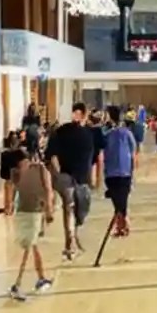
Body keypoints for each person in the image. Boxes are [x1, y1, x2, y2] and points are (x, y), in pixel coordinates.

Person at [45, 102, 97, 260]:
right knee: (75, 209)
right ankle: (71, 242)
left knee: (71, 209)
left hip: (68, 177)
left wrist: (58, 172)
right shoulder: (87, 134)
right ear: (83, 114)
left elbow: (51, 155)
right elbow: (92, 159)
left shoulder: (62, 131)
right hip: (79, 178)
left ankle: (71, 240)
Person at [8, 148, 55, 301]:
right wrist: (8, 205)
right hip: (23, 213)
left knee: (31, 246)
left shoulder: (40, 169)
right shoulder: (15, 173)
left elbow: (48, 190)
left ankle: (35, 279)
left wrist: (49, 210)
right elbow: (12, 189)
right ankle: (19, 283)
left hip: (35, 213)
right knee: (30, 246)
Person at [103, 106, 138, 236]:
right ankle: (122, 225)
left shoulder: (108, 135)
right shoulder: (124, 134)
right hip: (122, 172)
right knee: (120, 202)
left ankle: (123, 225)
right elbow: (133, 152)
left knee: (119, 202)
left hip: (115, 173)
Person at [0, 131, 27, 217]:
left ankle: (8, 208)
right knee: (12, 191)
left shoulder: (5, 153)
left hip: (9, 176)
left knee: (9, 190)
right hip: (15, 176)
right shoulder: (20, 153)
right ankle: (10, 207)